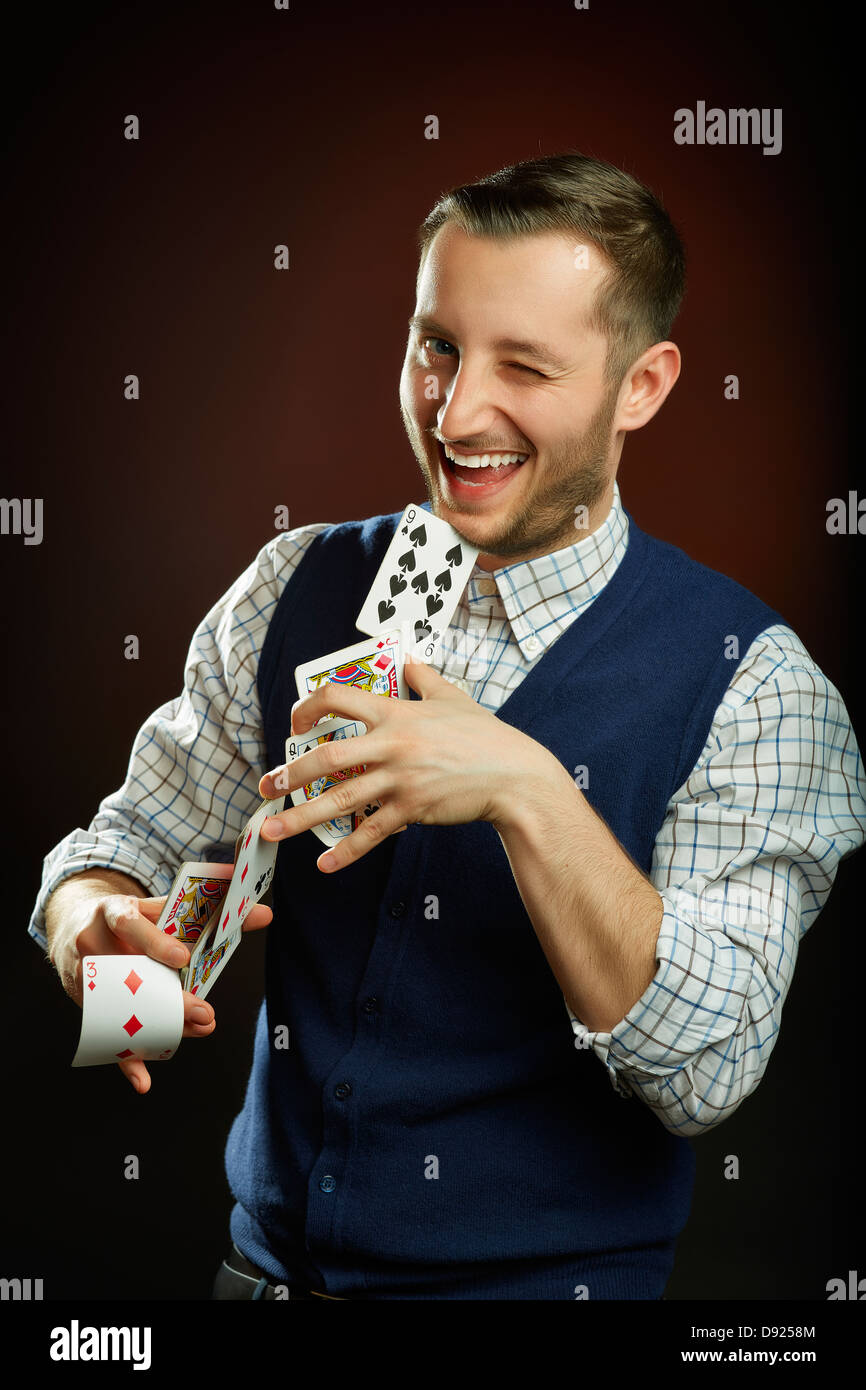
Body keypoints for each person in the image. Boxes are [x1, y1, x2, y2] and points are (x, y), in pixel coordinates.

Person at [32, 152, 866, 1301]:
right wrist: (94, 927)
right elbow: (120, 843)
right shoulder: (295, 583)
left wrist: (525, 788)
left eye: (523, 365)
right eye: (437, 345)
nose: (456, 410)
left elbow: (704, 1073)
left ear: (643, 385)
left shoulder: (756, 689)